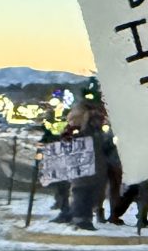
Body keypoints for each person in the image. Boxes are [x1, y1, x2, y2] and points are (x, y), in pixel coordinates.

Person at [45, 96, 119, 231]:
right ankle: (75, 215)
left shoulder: (91, 125)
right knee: (78, 189)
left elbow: (100, 143)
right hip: (85, 164)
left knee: (83, 190)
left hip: (89, 164)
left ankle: (79, 216)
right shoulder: (82, 127)